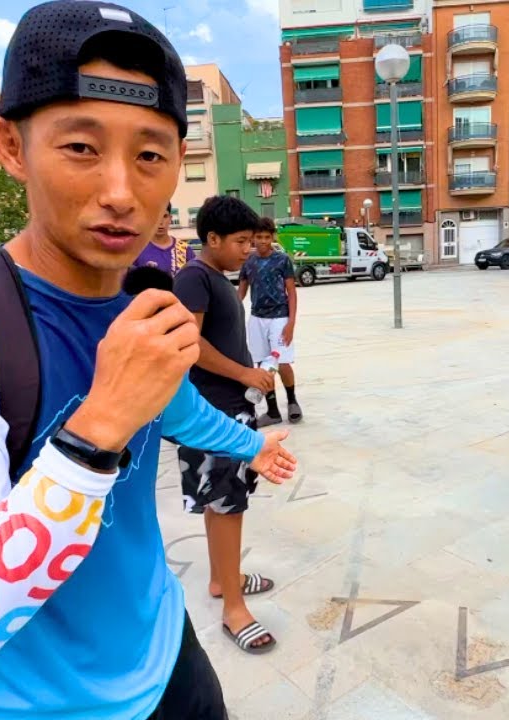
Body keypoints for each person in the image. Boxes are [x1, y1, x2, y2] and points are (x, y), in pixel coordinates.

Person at [0, 3, 297, 717]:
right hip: (28, 702)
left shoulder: (139, 306)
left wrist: (254, 444)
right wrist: (99, 427)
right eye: (82, 148)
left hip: (168, 659)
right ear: (9, 146)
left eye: (150, 155)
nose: (122, 192)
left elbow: (181, 410)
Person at [173, 196, 281, 654]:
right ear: (211, 239)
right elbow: (187, 343)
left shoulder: (216, 278)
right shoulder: (195, 277)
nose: (248, 249)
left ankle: (223, 579)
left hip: (228, 407)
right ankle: (234, 610)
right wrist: (243, 374)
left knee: (223, 503)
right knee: (228, 504)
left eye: (251, 240)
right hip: (214, 413)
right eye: (239, 241)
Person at [238, 217, 302, 425]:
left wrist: (291, 323)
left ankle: (292, 402)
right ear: (253, 239)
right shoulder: (248, 261)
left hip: (280, 318)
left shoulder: (282, 260)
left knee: (282, 362)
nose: (263, 241)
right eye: (259, 237)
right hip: (257, 319)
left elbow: (291, 293)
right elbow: (240, 293)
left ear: (272, 237)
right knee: (263, 365)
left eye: (267, 237)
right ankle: (272, 411)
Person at [133, 202, 196, 277]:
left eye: (164, 216)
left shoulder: (184, 249)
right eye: (156, 216)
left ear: (170, 218)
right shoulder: (137, 250)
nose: (160, 222)